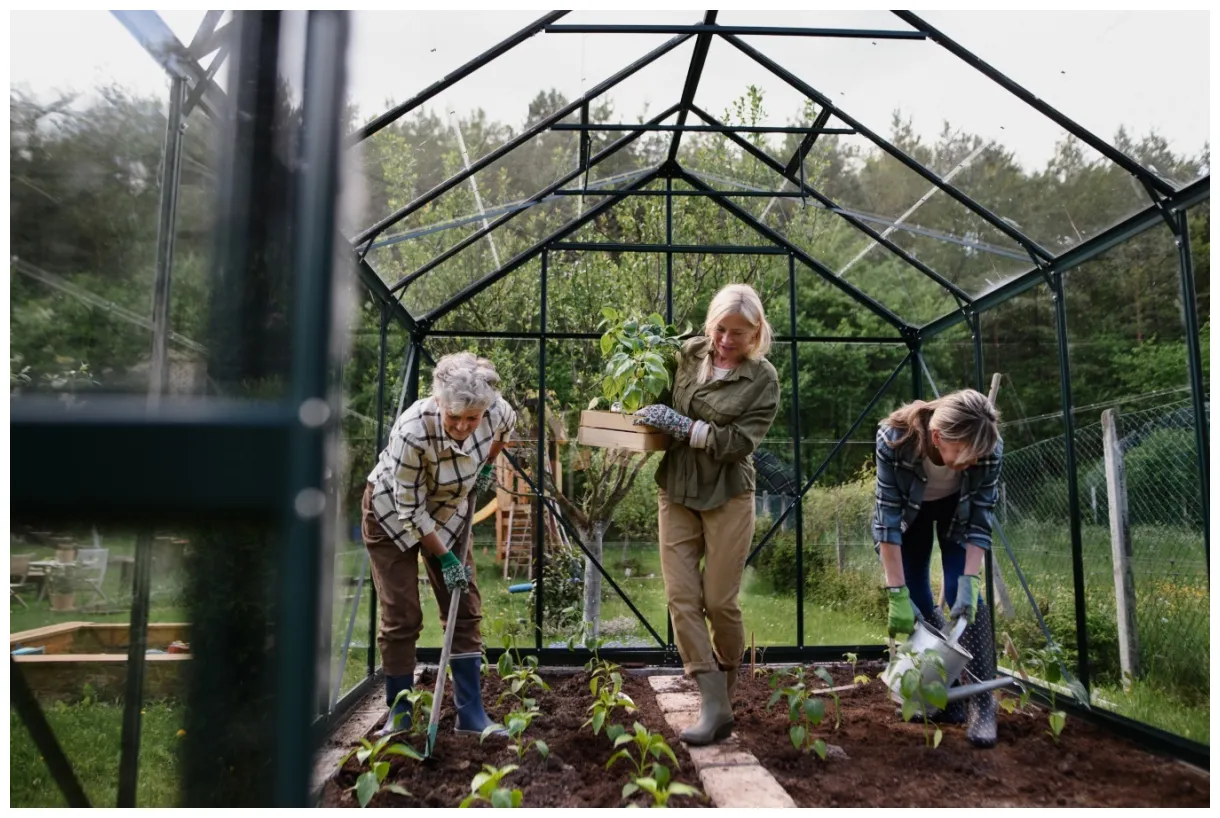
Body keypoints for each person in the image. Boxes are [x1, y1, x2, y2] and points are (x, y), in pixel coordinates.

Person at [633, 284, 780, 746]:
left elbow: (738, 444)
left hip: (727, 494)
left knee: (719, 601)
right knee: (681, 597)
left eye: (739, 332)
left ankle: (728, 681)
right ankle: (712, 698)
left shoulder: (762, 380)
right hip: (676, 488)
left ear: (756, 333)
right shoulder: (686, 354)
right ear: (709, 323)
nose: (725, 340)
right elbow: (653, 394)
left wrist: (683, 425)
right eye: (720, 328)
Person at [363, 352, 516, 736]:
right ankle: (399, 716)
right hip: (392, 515)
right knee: (402, 615)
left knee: (464, 608)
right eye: (455, 418)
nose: (464, 426)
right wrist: (447, 559)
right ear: (439, 403)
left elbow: (502, 435)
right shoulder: (412, 432)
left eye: (472, 419)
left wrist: (483, 469)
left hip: (449, 512)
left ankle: (471, 714)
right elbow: (411, 512)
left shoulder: (496, 411)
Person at [871, 389, 1003, 747]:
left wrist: (970, 580)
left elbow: (980, 518)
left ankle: (981, 705)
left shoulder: (987, 447)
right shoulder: (894, 440)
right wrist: (896, 592)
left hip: (956, 517)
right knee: (915, 596)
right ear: (936, 437)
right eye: (964, 456)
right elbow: (887, 519)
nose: (971, 464)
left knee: (967, 607)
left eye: (978, 457)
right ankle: (933, 696)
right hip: (907, 521)